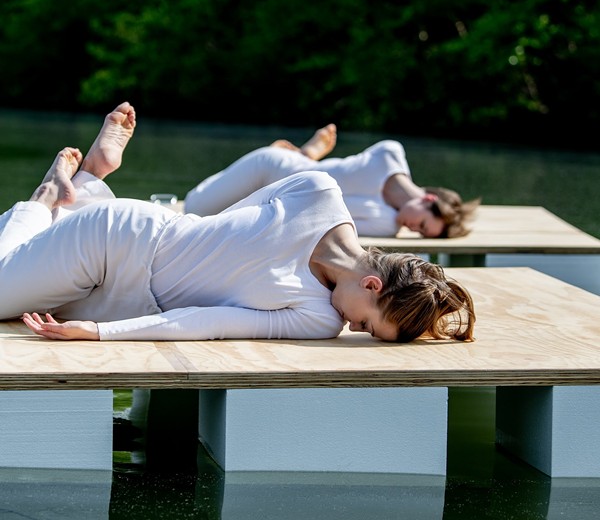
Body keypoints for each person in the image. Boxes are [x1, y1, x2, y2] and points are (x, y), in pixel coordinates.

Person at [2, 102, 476, 343]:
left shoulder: (319, 319)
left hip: (128, 301)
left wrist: (100, 332)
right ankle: (49, 196)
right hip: (120, 240)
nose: (354, 330)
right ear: (372, 285)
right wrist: (206, 252)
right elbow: (233, 212)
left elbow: (205, 321)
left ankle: (88, 182)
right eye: (369, 325)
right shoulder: (318, 192)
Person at [184, 125, 481, 238]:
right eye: (422, 226)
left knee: (208, 227)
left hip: (282, 198)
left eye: (420, 234)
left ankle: (309, 154)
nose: (413, 230)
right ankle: (307, 156)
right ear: (429, 200)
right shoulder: (391, 153)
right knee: (193, 208)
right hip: (274, 168)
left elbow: (326, 214)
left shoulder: (387, 223)